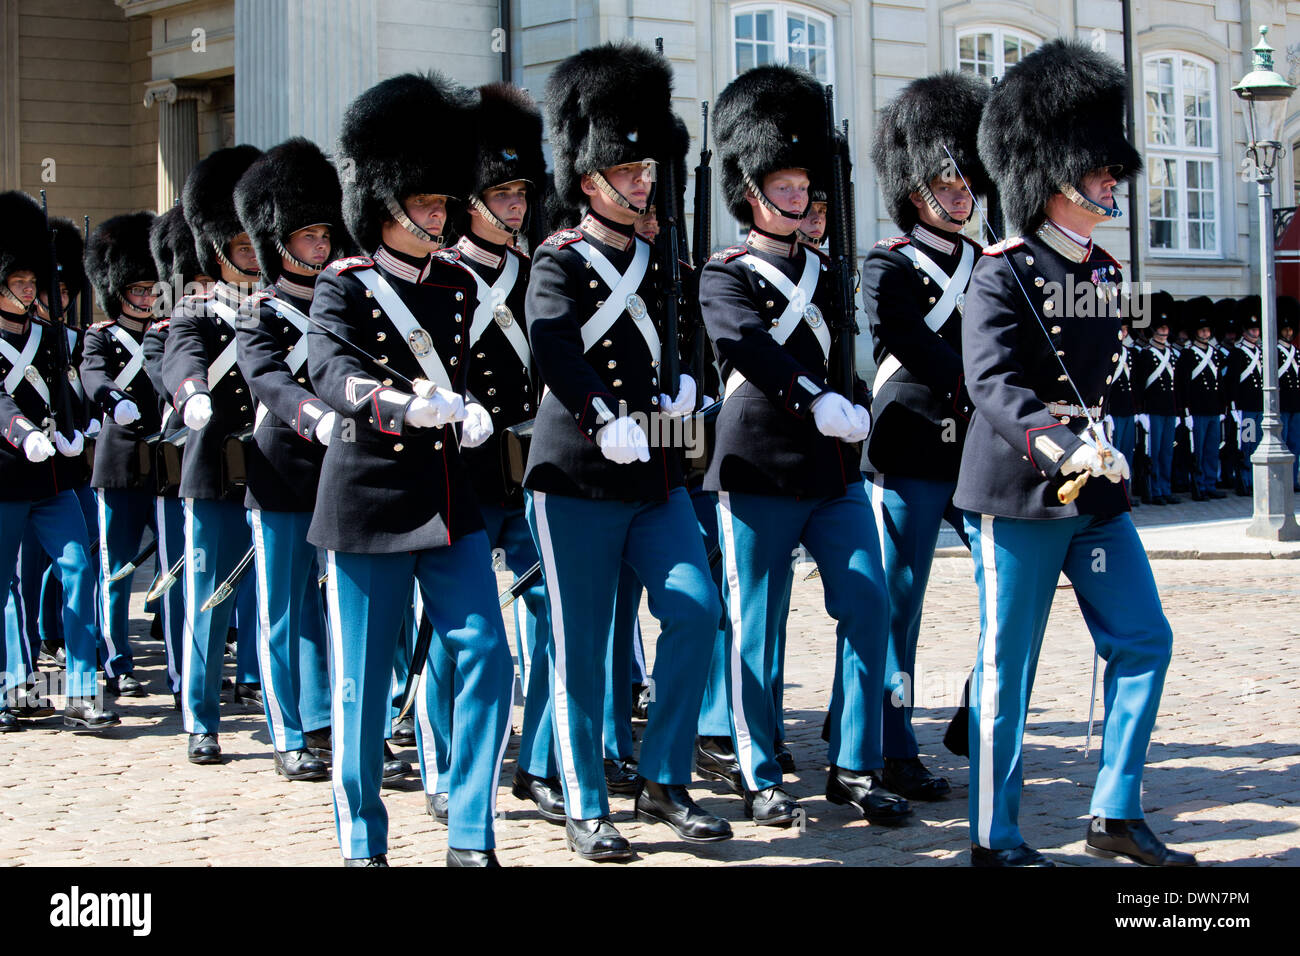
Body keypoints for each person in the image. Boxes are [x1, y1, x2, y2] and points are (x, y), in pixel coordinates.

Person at [959, 39, 1194, 867]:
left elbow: (1098, 383)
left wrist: (1104, 445)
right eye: (1098, 170)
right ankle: (995, 836)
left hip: (1092, 493)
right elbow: (990, 383)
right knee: (1007, 672)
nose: (1112, 182)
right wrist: (1061, 446)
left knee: (1143, 638)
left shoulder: (1105, 270)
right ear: (1055, 174)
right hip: (1020, 490)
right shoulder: (1002, 270)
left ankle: (1115, 812)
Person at [526, 41, 731, 861]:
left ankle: (662, 776)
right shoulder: (559, 259)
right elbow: (557, 350)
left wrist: (692, 390)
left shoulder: (663, 261)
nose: (644, 182)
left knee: (696, 610)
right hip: (576, 471)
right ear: (589, 181)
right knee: (580, 648)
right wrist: (597, 410)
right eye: (628, 171)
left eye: (648, 169)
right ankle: (585, 801)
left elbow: (688, 341)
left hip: (652, 474)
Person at [310, 71, 515, 867]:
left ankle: (471, 831)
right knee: (361, 693)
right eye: (428, 206)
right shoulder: (345, 284)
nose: (442, 217)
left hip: (448, 499)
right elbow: (328, 371)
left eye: (444, 204)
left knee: (487, 658)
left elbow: (482, 368)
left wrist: (480, 408)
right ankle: (363, 840)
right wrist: (398, 406)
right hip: (369, 499)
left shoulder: (460, 284)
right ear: (390, 207)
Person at [701, 63, 905, 828]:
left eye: (805, 188)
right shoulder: (724, 274)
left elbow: (839, 354)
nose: (800, 200)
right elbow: (749, 345)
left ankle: (855, 761)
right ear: (751, 194)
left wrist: (850, 403)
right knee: (753, 622)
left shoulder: (827, 269)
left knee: (867, 600)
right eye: (784, 188)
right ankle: (757, 768)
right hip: (758, 460)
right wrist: (813, 398)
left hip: (831, 469)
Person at [409, 81, 562, 824]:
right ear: (469, 201)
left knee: (553, 616)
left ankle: (538, 759)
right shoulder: (438, 280)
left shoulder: (542, 270)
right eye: (499, 194)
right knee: (457, 631)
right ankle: (446, 769)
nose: (516, 207)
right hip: (461, 473)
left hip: (532, 471)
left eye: (521, 193)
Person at [858, 71, 990, 801]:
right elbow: (904, 336)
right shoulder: (888, 261)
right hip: (911, 439)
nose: (965, 197)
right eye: (950, 187)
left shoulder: (987, 263)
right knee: (899, 603)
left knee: (1004, 587)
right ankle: (892, 742)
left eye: (968, 186)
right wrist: (980, 387)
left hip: (977, 445)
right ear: (918, 194)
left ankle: (978, 706)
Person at [233, 138, 345, 781]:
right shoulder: (260, 310)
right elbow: (267, 380)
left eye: (324, 234)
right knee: (284, 607)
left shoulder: (346, 298)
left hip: (342, 468)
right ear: (281, 242)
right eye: (306, 237)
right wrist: (315, 415)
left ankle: (338, 719)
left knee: (337, 605)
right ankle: (288, 732)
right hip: (282, 468)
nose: (320, 246)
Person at [162, 145, 266, 764]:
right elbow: (182, 358)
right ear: (219, 250)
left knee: (285, 598)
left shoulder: (284, 306)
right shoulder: (196, 309)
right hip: (216, 469)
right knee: (211, 597)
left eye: (257, 243)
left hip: (282, 470)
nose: (253, 254)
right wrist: (191, 394)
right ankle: (201, 717)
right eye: (242, 246)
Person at [0, 190, 114, 732]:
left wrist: (81, 423)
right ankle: (13, 689)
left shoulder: (52, 337)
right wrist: (23, 433)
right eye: (20, 283)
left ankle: (82, 692)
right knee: (3, 587)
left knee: (80, 569)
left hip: (51, 479)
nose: (31, 292)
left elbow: (69, 387)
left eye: (32, 283)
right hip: (4, 477)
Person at [82, 213, 164, 700]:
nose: (147, 297)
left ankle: (180, 655)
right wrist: (114, 398)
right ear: (119, 291)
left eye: (153, 288)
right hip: (119, 461)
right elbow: (93, 375)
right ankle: (117, 660)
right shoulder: (101, 335)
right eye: (137, 289)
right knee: (119, 567)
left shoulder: (168, 331)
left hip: (166, 460)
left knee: (173, 566)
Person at [145, 205, 213, 710]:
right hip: (191, 458)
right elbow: (168, 377)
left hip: (260, 466)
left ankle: (254, 677)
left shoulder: (255, 313)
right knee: (192, 582)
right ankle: (185, 683)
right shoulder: (168, 330)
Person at [1175, 308, 1228, 500]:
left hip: (1213, 409)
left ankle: (1210, 483)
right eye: (1202, 331)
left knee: (1211, 449)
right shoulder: (1188, 355)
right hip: (1196, 410)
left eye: (1207, 330)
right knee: (1196, 450)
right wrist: (1186, 411)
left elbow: (1219, 383)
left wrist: (1223, 408)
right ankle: (1198, 484)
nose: (1205, 334)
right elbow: (1183, 385)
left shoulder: (1214, 353)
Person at [1135, 293, 1180, 504]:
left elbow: (1178, 386)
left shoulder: (1172, 354)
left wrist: (1181, 410)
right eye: (1160, 328)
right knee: (1153, 452)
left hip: (1169, 409)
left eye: (1166, 328)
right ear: (1153, 330)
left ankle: (1165, 487)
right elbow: (1139, 385)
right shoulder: (1146, 354)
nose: (1164, 331)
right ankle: (1154, 490)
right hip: (1152, 410)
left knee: (1167, 452)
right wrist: (1140, 410)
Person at [1226, 303, 1264, 496]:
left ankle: (1256, 480)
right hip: (1245, 408)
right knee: (1247, 445)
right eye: (1252, 329)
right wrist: (1233, 406)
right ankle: (1245, 480)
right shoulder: (1238, 353)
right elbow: (1232, 382)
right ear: (1245, 331)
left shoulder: (1261, 352)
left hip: (1259, 407)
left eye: (1257, 329)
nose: (1255, 332)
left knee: (1259, 445)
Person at [1275, 299, 1300, 491]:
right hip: (1282, 405)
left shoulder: (1295, 352)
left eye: (1291, 330)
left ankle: (1293, 479)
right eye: (1285, 330)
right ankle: (1283, 480)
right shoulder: (1274, 352)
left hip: (1295, 404)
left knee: (1295, 444)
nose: (1289, 333)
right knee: (1282, 445)